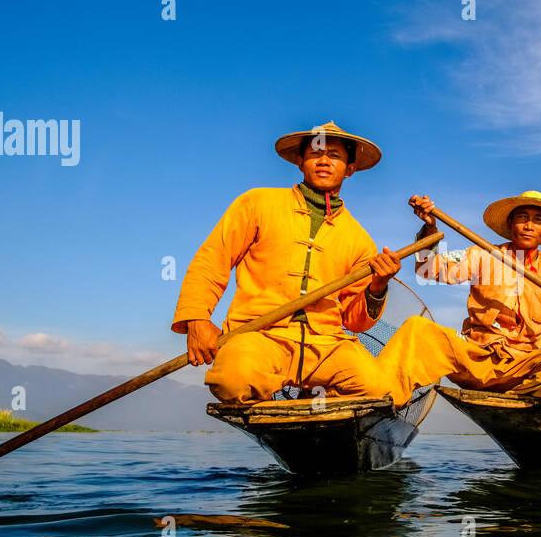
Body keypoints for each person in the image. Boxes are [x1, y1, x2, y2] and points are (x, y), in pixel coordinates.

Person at [170, 121, 405, 404]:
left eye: (335, 156)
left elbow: (354, 322)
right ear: (300, 161)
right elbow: (212, 259)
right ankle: (278, 391)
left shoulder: (359, 239)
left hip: (327, 345)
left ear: (350, 169)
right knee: (231, 382)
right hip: (260, 334)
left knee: (382, 392)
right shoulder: (258, 203)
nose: (324, 161)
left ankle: (316, 398)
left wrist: (378, 285)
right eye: (315, 154)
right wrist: (197, 318)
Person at [377, 190, 541, 403]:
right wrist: (430, 227)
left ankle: (512, 400)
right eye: (522, 218)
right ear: (511, 224)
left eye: (538, 220)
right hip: (475, 358)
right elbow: (428, 270)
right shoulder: (483, 255)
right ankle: (381, 399)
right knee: (416, 330)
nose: (529, 225)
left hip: (520, 368)